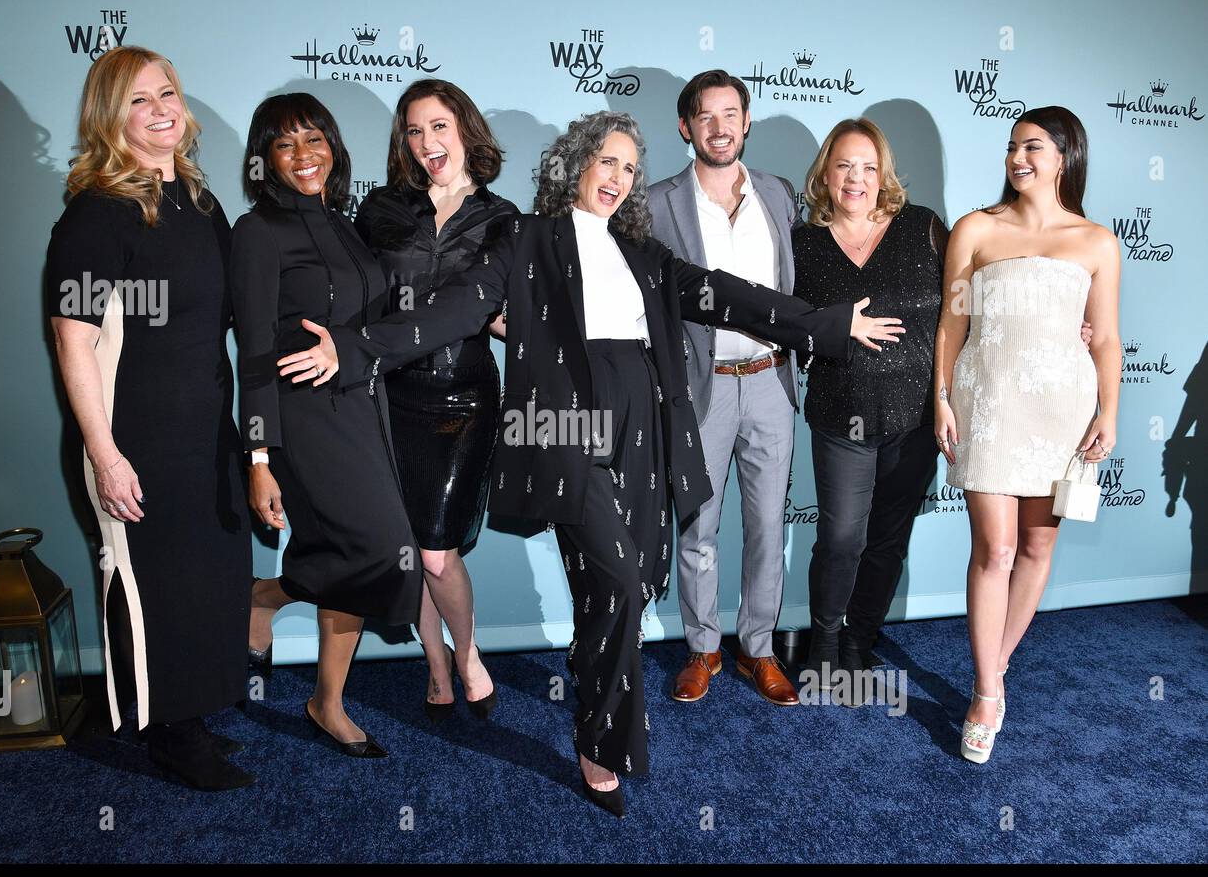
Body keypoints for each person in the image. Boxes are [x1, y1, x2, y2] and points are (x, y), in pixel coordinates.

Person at [288, 109, 898, 816]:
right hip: (564, 424)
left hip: (643, 419)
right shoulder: (527, 237)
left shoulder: (643, 255)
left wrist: (826, 324)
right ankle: (600, 738)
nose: (618, 177)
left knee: (627, 584)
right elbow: (460, 307)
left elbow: (727, 295)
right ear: (576, 162)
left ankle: (590, 668)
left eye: (630, 168)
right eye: (607, 160)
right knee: (613, 574)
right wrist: (358, 347)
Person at [233, 93, 495, 758]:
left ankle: (321, 690)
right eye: (286, 144)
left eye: (315, 139)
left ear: (334, 148)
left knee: (368, 557)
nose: (303, 155)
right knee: (380, 550)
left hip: (363, 408)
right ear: (264, 158)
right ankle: (272, 603)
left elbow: (398, 307)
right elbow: (255, 352)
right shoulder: (256, 232)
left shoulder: (347, 223)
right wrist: (260, 453)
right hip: (303, 417)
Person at [47, 46, 253, 790]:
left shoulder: (199, 203)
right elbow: (73, 339)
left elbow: (239, 308)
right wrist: (105, 452)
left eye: (167, 92)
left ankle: (189, 715)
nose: (161, 108)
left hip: (204, 433)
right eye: (139, 100)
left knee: (206, 577)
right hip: (132, 437)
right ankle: (166, 734)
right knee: (149, 584)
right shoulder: (98, 214)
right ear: (110, 117)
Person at [934, 105, 1120, 763]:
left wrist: (1109, 412)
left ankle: (996, 671)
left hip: (1063, 412)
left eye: (1033, 147)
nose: (1018, 157)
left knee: (1038, 548)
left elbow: (1106, 338)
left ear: (1064, 155)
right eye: (1013, 146)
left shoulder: (1097, 241)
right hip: (988, 406)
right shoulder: (976, 229)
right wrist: (942, 397)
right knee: (996, 549)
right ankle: (986, 692)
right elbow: (952, 326)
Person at [355, 79, 519, 721]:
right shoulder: (381, 211)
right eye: (415, 131)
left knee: (435, 549)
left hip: (463, 401)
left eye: (439, 126)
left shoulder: (504, 218)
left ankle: (469, 651)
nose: (428, 142)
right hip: (390, 397)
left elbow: (503, 312)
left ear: (464, 129)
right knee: (408, 544)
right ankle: (435, 665)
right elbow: (357, 295)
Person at [648, 69, 806, 709]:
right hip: (699, 388)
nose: (720, 127)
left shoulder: (778, 193)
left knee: (769, 526)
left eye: (731, 114)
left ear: (747, 121)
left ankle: (759, 649)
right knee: (698, 527)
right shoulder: (656, 203)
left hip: (769, 382)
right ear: (686, 128)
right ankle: (702, 647)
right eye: (706, 117)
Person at [792, 117, 946, 698]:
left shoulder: (923, 227)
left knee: (887, 538)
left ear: (884, 174)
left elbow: (975, 298)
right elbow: (786, 322)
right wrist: (836, 327)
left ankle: (860, 642)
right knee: (840, 539)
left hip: (914, 419)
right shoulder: (801, 244)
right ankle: (825, 642)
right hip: (840, 416)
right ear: (825, 175)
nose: (856, 178)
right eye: (844, 166)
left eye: (868, 167)